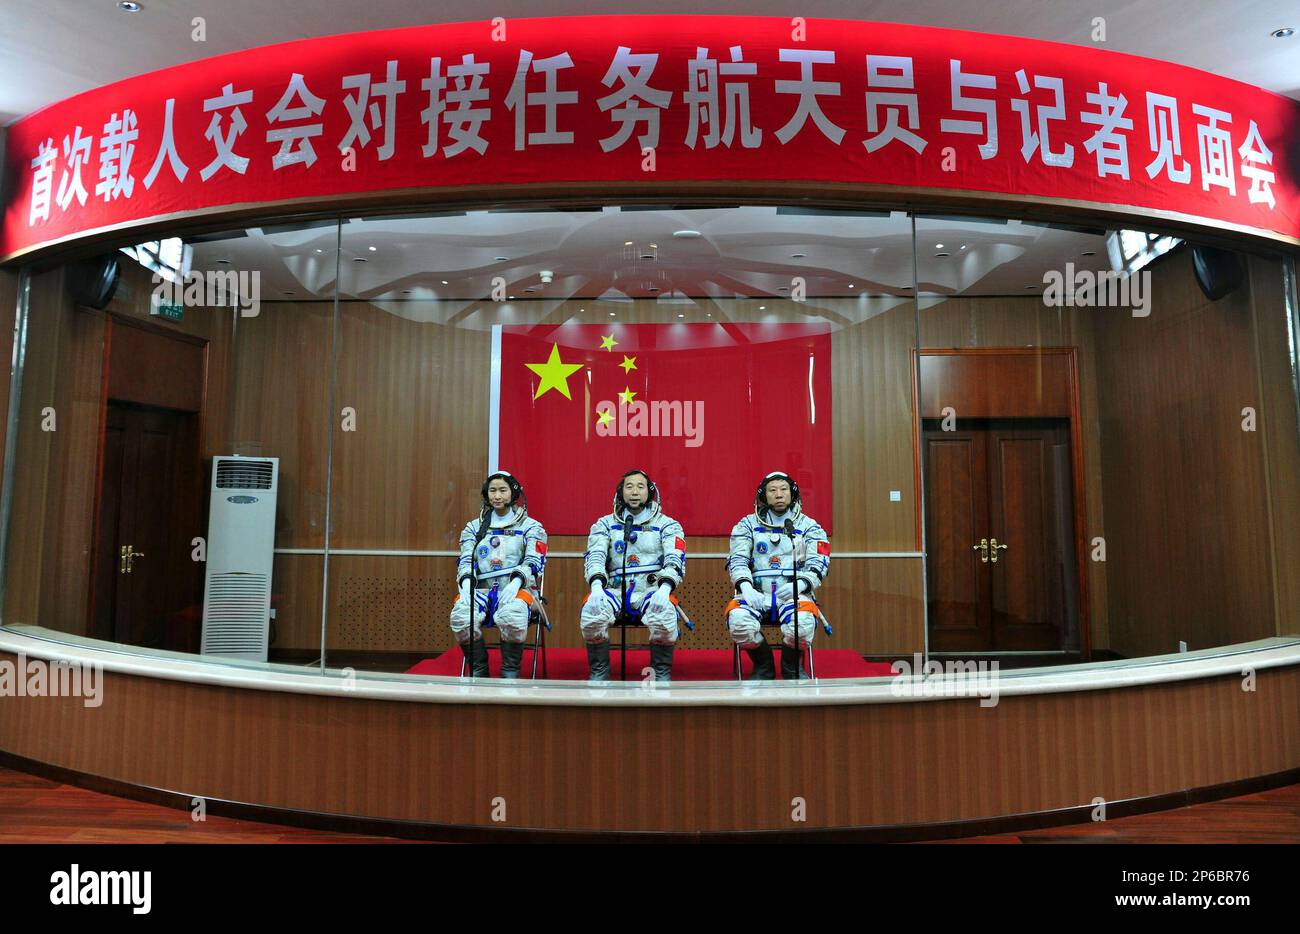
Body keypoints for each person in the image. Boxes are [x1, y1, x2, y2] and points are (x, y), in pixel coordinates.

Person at [581, 469, 686, 683]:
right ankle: (600, 672)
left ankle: (660, 672)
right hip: (613, 589)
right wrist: (597, 588)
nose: (634, 492)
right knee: (591, 613)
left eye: (640, 487)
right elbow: (596, 557)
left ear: (650, 492)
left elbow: (675, 558)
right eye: (629, 487)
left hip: (652, 590)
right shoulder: (603, 524)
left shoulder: (668, 525)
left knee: (664, 614)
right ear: (621, 493)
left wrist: (664, 589)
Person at [726, 471, 830, 680]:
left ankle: (791, 665)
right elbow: (737, 560)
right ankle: (763, 665)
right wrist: (745, 586)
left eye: (783, 489)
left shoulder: (810, 526)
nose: (779, 494)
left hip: (794, 592)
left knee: (803, 624)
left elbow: (820, 561)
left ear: (793, 494)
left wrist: (800, 585)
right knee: (738, 622)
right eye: (772, 490)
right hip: (756, 592)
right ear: (763, 496)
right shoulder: (746, 525)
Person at [450, 471, 547, 678]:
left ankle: (509, 671)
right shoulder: (474, 528)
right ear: (486, 494)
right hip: (482, 590)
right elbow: (466, 560)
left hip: (519, 590)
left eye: (503, 490)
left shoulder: (531, 527)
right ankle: (479, 668)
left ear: (513, 493)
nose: (497, 496)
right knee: (460, 615)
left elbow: (534, 561)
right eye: (493, 491)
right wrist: (466, 584)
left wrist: (515, 584)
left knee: (512, 614)